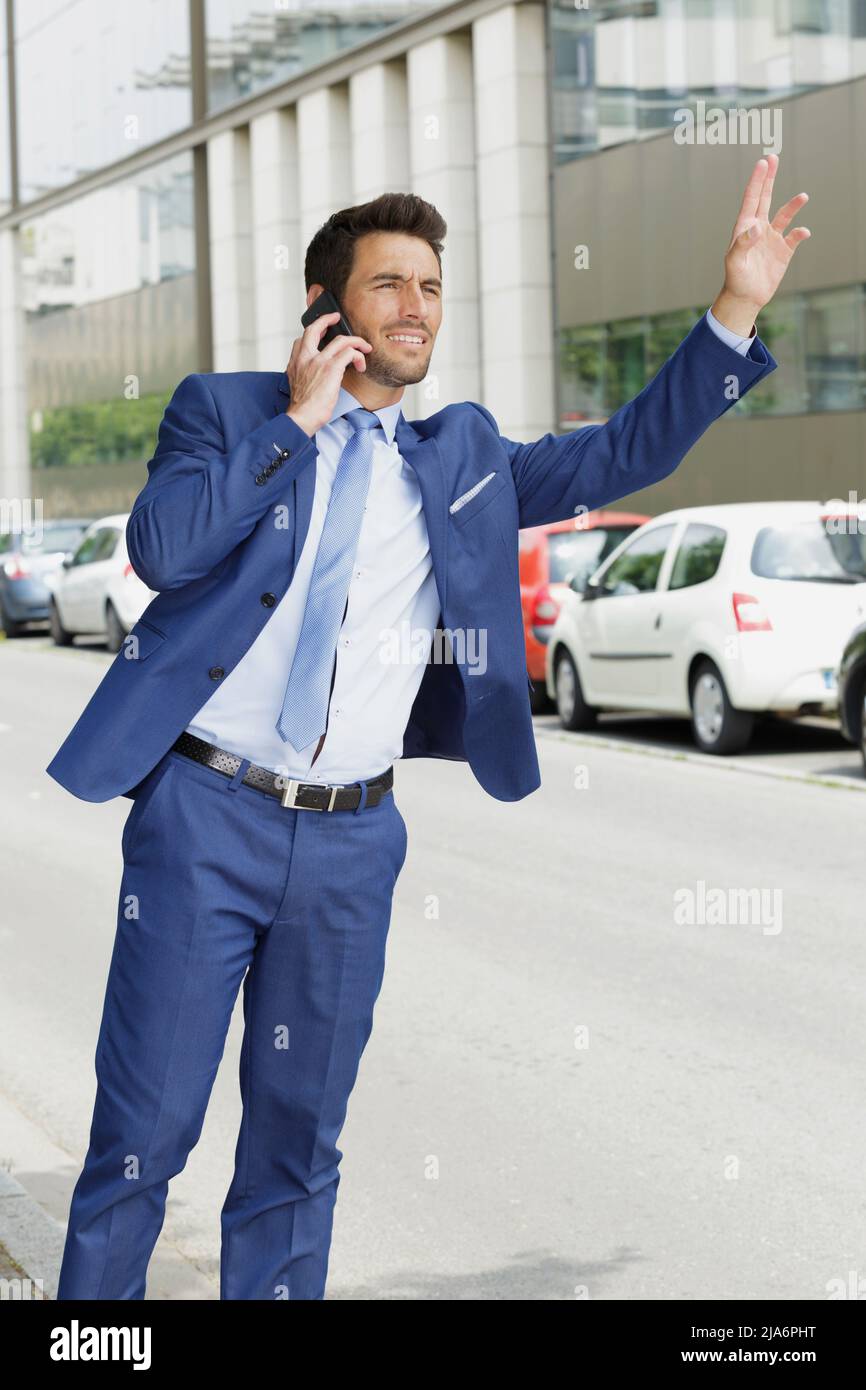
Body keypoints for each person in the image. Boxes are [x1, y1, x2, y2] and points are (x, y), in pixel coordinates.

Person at [48, 157, 808, 1299]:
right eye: (389, 282)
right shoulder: (223, 410)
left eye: (432, 286)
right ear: (326, 307)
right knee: (143, 1134)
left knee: (300, 1149)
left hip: (352, 842)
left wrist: (735, 309)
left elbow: (619, 453)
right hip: (203, 818)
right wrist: (296, 426)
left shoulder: (458, 456)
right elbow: (164, 549)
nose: (416, 305)